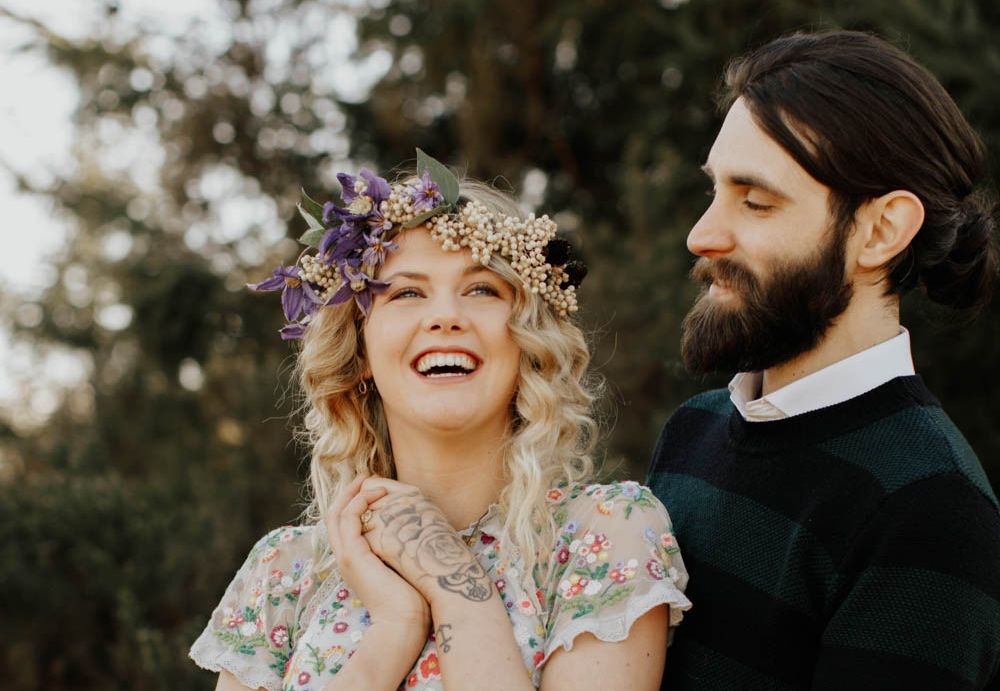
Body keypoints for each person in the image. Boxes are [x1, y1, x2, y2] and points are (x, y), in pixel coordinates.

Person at [190, 154, 691, 691]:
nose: (445, 316)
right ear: (359, 352)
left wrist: (453, 582)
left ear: (527, 339)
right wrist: (395, 626)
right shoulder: (283, 573)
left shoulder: (608, 532)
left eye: (482, 290)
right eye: (407, 292)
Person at [647, 30, 1000, 690]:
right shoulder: (691, 432)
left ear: (880, 231)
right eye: (714, 190)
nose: (702, 235)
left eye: (754, 200)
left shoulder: (931, 509)